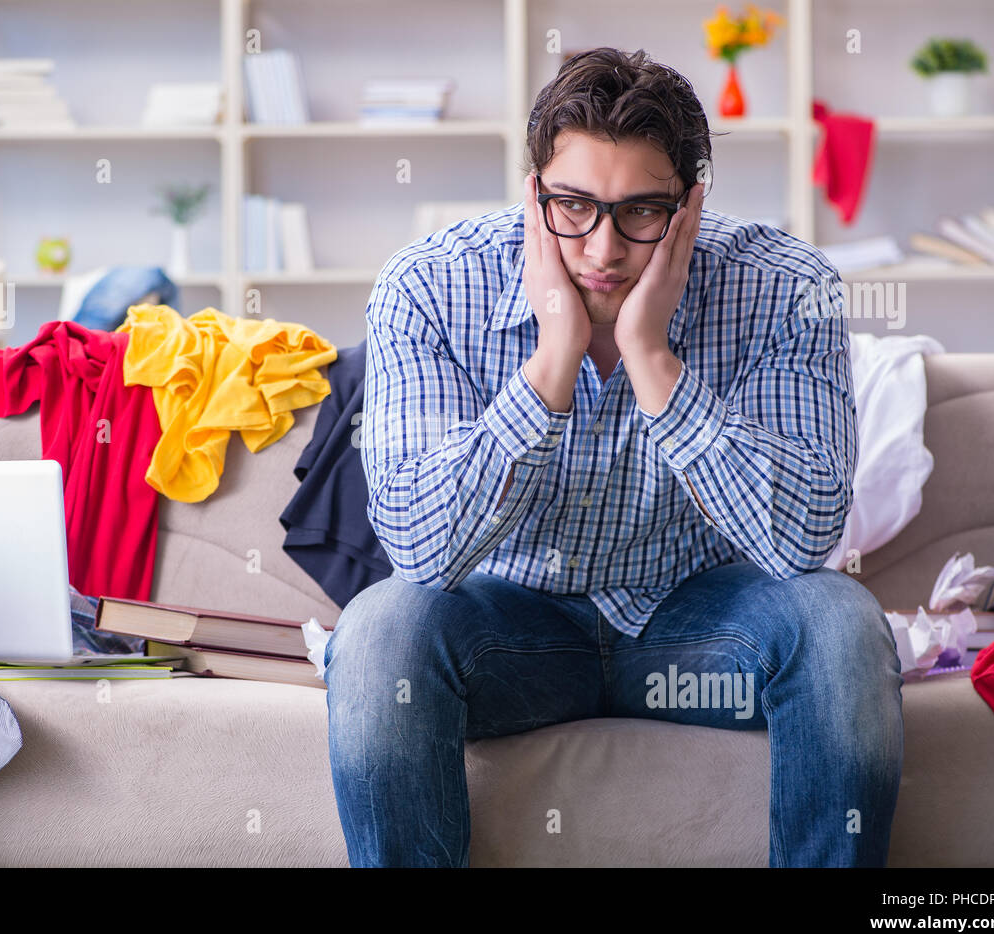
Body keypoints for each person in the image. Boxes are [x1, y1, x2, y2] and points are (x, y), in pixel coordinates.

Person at [323, 47, 903, 867]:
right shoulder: (426, 285)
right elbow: (419, 548)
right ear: (533, 192)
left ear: (690, 203)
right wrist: (552, 360)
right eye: (573, 206)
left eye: (641, 212)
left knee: (841, 622)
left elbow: (804, 539)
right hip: (511, 634)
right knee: (379, 630)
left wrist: (653, 358)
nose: (603, 247)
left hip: (702, 628)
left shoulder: (786, 286)